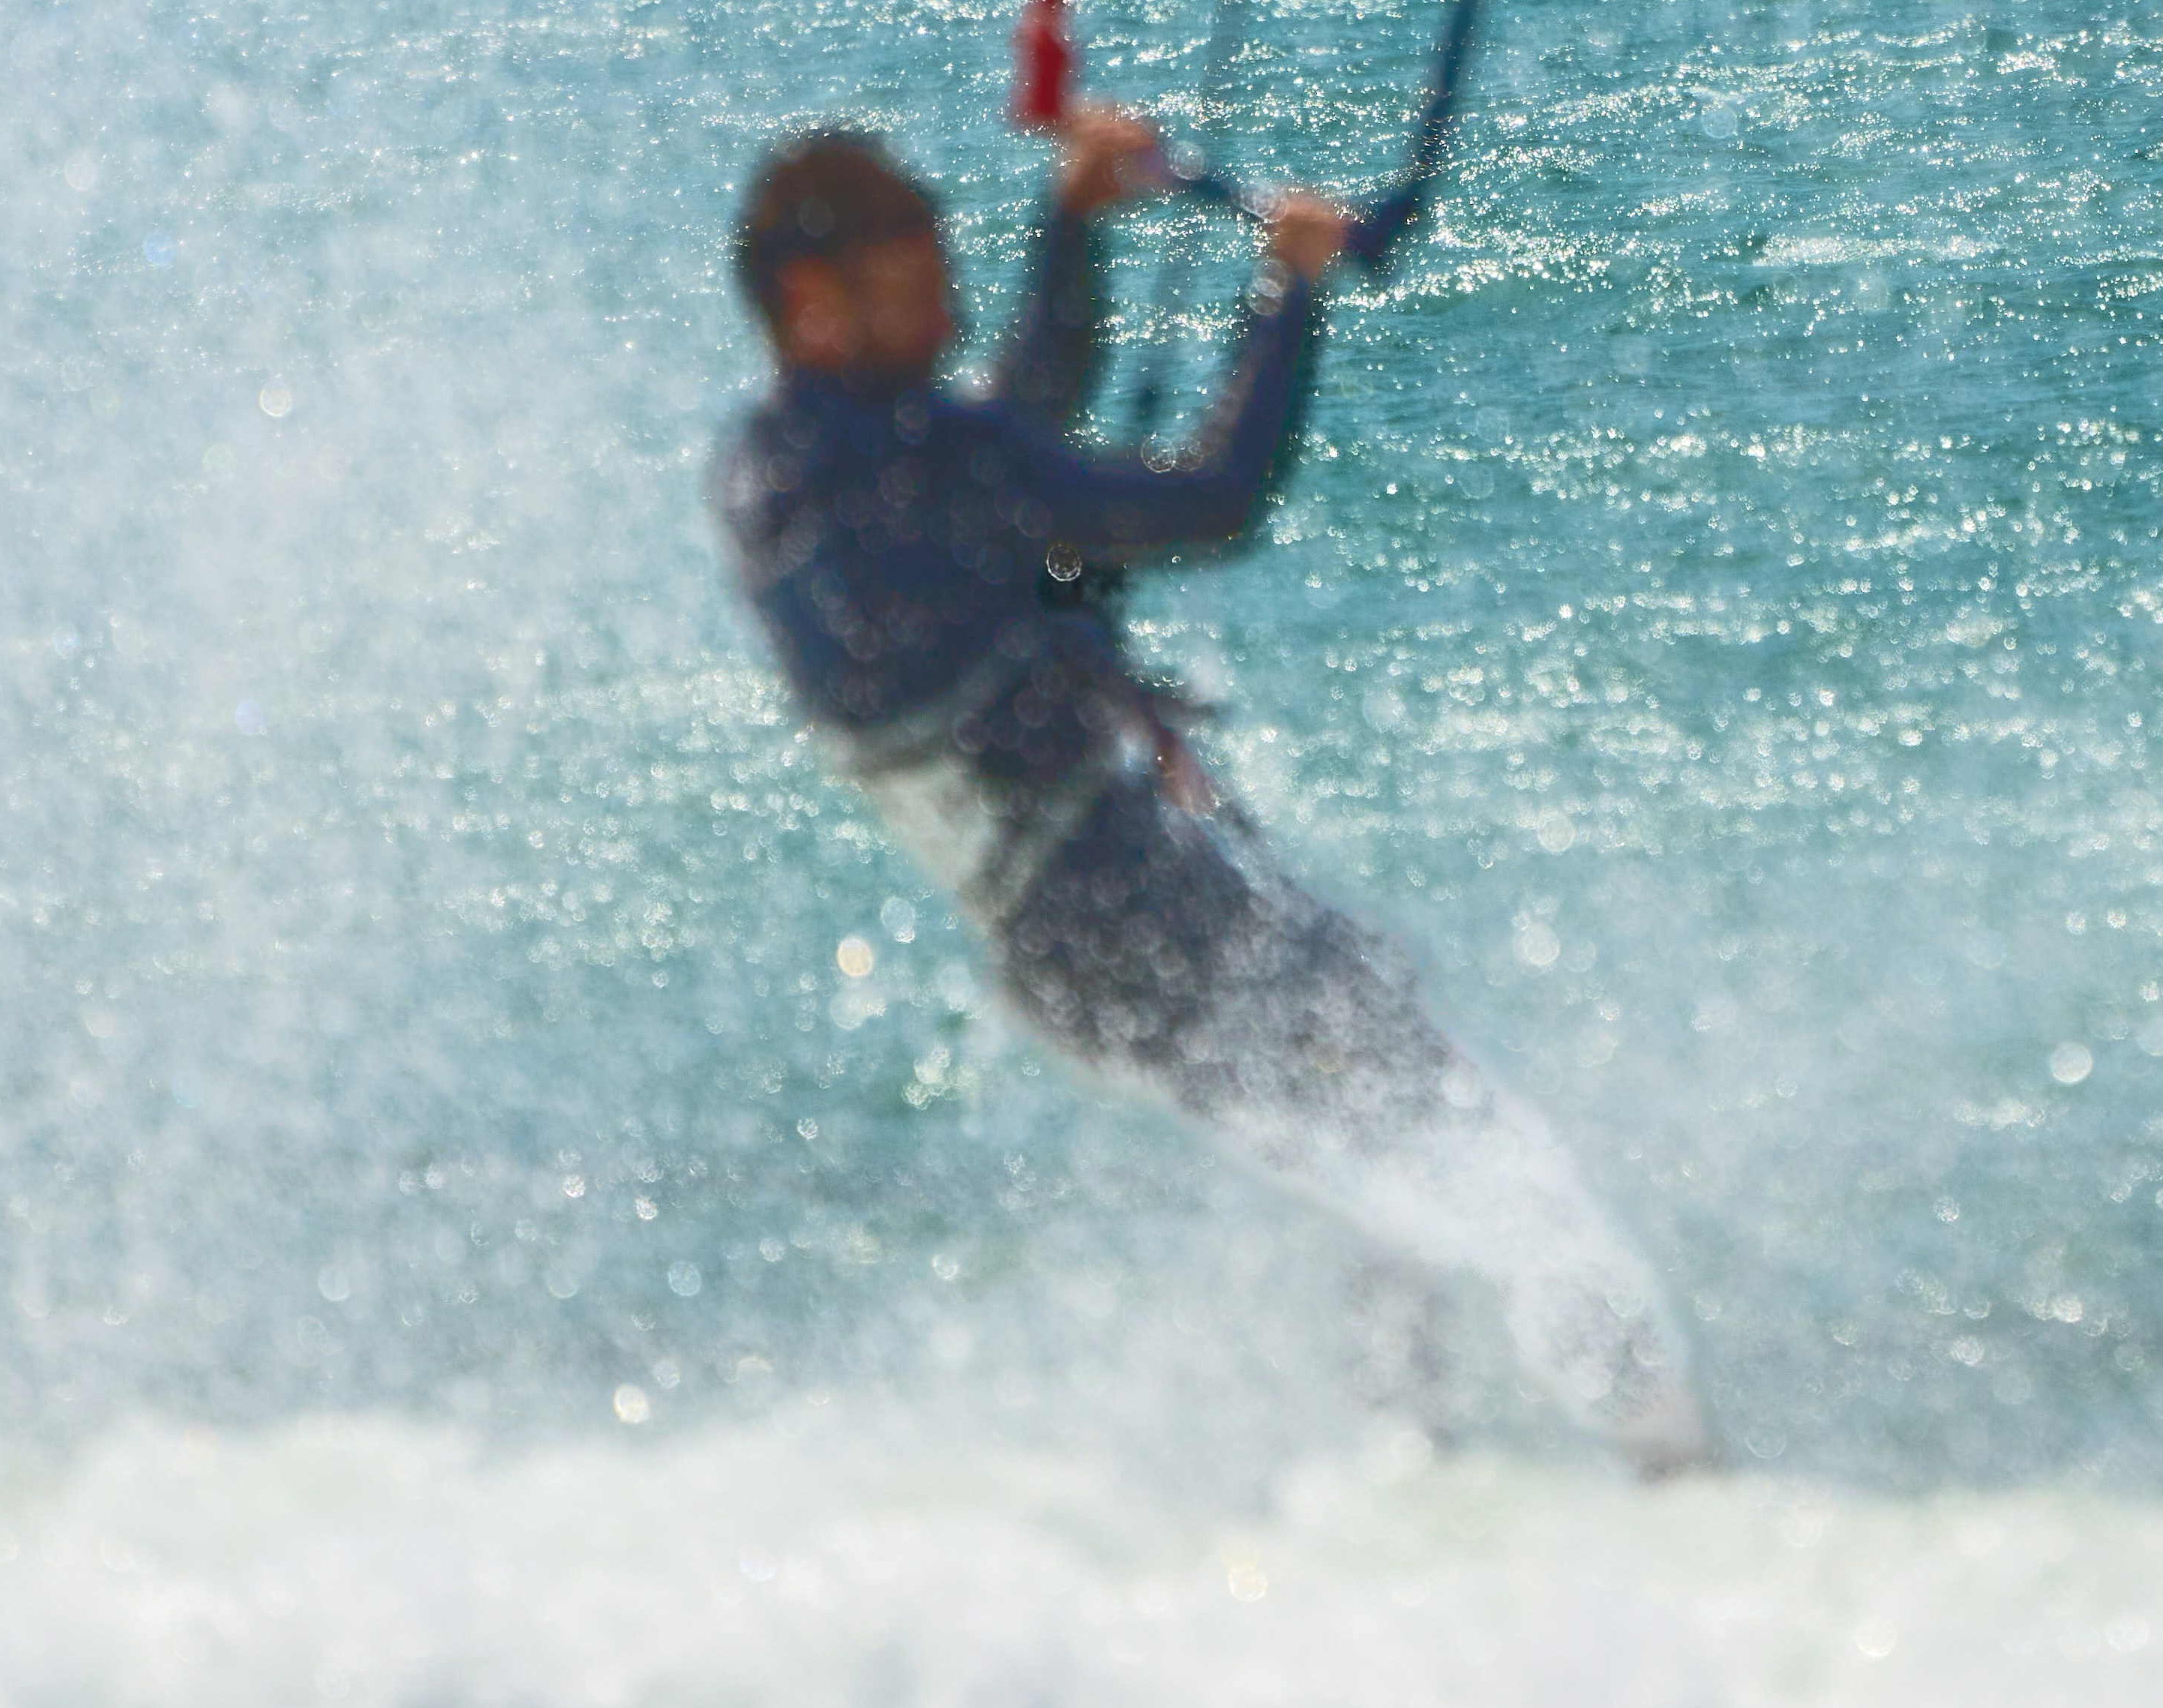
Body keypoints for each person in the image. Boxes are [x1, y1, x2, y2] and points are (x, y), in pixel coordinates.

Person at [712, 108, 1715, 1474]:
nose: (946, 298)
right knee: (1464, 1141)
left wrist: (1074, 222)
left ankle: (1412, 1446)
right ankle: (1667, 1466)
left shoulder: (777, 470)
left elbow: (1010, 434)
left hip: (1062, 948)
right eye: (914, 276)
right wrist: (1285, 291)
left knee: (1374, 1107)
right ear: (813, 304)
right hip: (1134, 916)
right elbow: (1208, 496)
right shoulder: (925, 463)